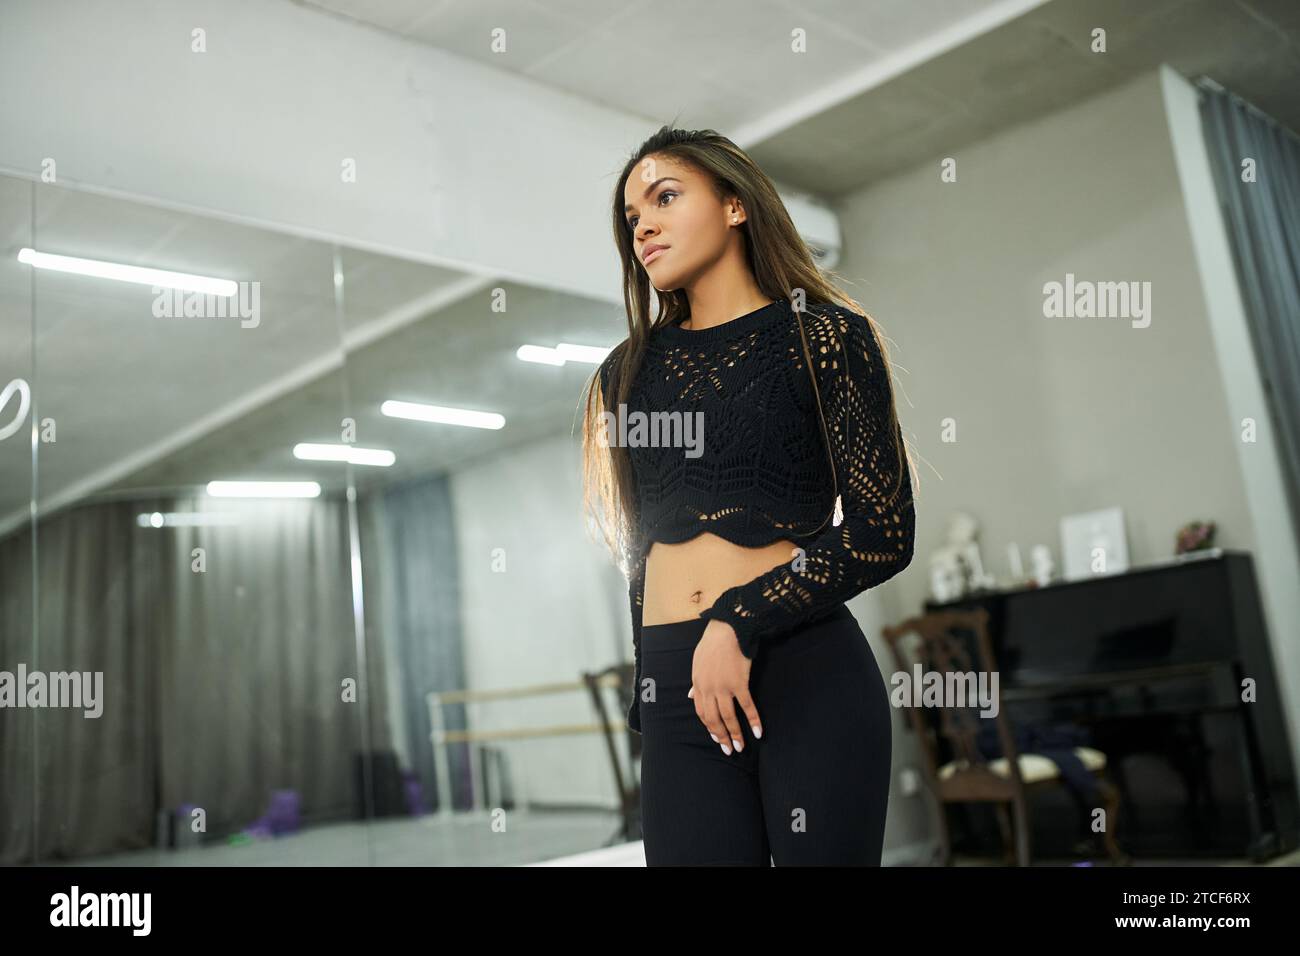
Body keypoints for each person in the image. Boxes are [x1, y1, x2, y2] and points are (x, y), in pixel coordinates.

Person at [580, 125, 918, 865]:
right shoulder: (625, 373)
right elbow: (642, 547)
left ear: (735, 206)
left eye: (665, 198)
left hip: (804, 666)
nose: (645, 227)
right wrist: (652, 680)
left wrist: (737, 620)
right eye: (632, 218)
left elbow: (881, 530)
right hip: (679, 686)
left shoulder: (826, 338)